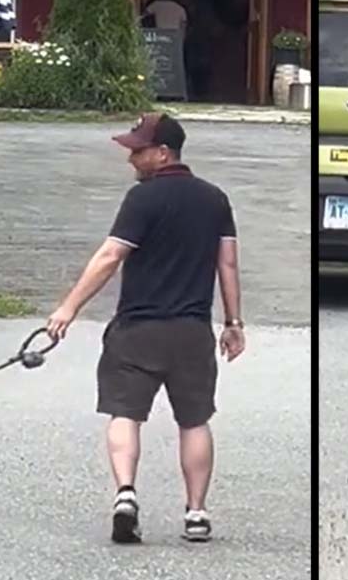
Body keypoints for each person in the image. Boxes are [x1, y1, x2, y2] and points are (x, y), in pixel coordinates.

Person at [46, 112, 245, 545]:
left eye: (137, 150)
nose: (131, 159)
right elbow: (226, 263)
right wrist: (233, 322)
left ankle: (125, 494)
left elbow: (110, 256)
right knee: (194, 421)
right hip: (192, 332)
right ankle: (196, 513)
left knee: (125, 415)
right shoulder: (215, 199)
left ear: (162, 153)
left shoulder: (143, 200)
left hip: (138, 329)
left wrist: (68, 308)